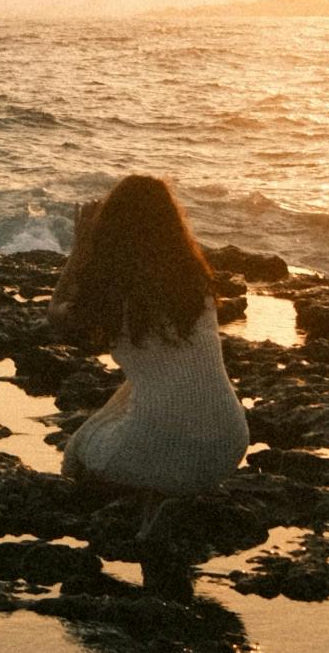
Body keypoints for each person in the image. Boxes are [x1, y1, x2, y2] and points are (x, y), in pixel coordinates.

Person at [52, 175, 249, 508]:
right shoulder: (195, 282)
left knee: (79, 451)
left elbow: (55, 317)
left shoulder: (113, 294)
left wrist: (80, 250)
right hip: (229, 444)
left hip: (166, 447)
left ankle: (139, 514)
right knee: (138, 389)